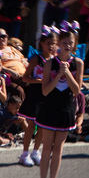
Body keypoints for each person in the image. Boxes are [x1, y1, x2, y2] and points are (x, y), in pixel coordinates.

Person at [36, 23, 83, 178]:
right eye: (64, 42)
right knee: (47, 147)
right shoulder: (49, 63)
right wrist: (58, 75)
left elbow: (77, 91)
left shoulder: (78, 63)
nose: (67, 45)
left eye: (71, 42)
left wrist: (68, 74)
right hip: (50, 108)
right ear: (58, 44)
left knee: (58, 149)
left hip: (66, 109)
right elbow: (45, 90)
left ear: (75, 45)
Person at [18, 27, 56, 166]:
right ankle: (24, 153)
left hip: (48, 96)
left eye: (54, 43)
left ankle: (36, 151)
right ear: (42, 44)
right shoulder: (36, 59)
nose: (51, 46)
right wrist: (39, 81)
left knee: (42, 125)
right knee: (31, 125)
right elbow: (25, 78)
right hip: (35, 95)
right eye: (48, 43)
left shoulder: (55, 61)